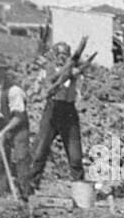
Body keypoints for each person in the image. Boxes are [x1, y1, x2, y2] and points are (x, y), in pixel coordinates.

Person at [28, 42, 90, 195]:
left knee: (75, 155)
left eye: (65, 54)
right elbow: (41, 87)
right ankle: (30, 186)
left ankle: (80, 189)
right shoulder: (48, 70)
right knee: (40, 151)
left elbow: (79, 90)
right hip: (52, 109)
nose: (62, 57)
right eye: (59, 54)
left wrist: (74, 74)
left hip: (68, 111)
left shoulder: (75, 72)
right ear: (55, 56)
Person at [0, 51, 29, 196]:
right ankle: (0, 192)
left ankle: (25, 194)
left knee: (21, 158)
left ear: (3, 72)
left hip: (18, 124)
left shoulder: (14, 91)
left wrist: (4, 132)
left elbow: (19, 117)